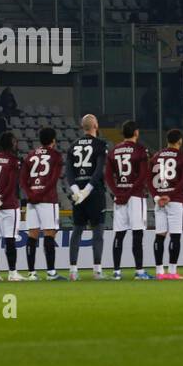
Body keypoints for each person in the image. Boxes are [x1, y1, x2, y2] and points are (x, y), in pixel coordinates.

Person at [105, 119, 151, 280]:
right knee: (137, 234)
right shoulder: (140, 150)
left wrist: (118, 192)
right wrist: (130, 191)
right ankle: (139, 271)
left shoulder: (114, 150)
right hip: (135, 197)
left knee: (119, 234)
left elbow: (108, 176)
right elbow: (143, 175)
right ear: (136, 132)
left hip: (120, 197)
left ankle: (116, 272)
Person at [66, 114, 108, 281]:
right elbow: (98, 170)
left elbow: (69, 172)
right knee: (98, 231)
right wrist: (88, 190)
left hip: (78, 194)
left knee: (77, 230)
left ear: (82, 127)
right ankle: (97, 270)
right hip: (94, 192)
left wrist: (77, 190)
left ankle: (73, 270)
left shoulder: (73, 145)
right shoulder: (100, 144)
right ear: (96, 125)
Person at [22, 126, 65, 280]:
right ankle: (51, 272)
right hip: (47, 199)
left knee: (32, 235)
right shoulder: (56, 156)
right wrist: (40, 194)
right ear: (53, 140)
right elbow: (53, 180)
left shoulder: (30, 155)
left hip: (32, 200)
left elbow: (22, 179)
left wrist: (31, 194)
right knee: (49, 233)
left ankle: (32, 273)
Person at [149, 128, 183, 280]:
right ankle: (172, 271)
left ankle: (159, 272)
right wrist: (170, 195)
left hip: (159, 202)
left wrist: (157, 197)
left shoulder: (156, 156)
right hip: (176, 201)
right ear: (180, 141)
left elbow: (149, 180)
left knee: (159, 236)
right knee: (175, 237)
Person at [0, 131, 23, 281]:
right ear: (10, 143)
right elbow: (11, 185)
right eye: (14, 141)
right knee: (10, 239)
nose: (16, 144)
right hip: (8, 205)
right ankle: (12, 273)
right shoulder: (14, 161)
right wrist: (0, 203)